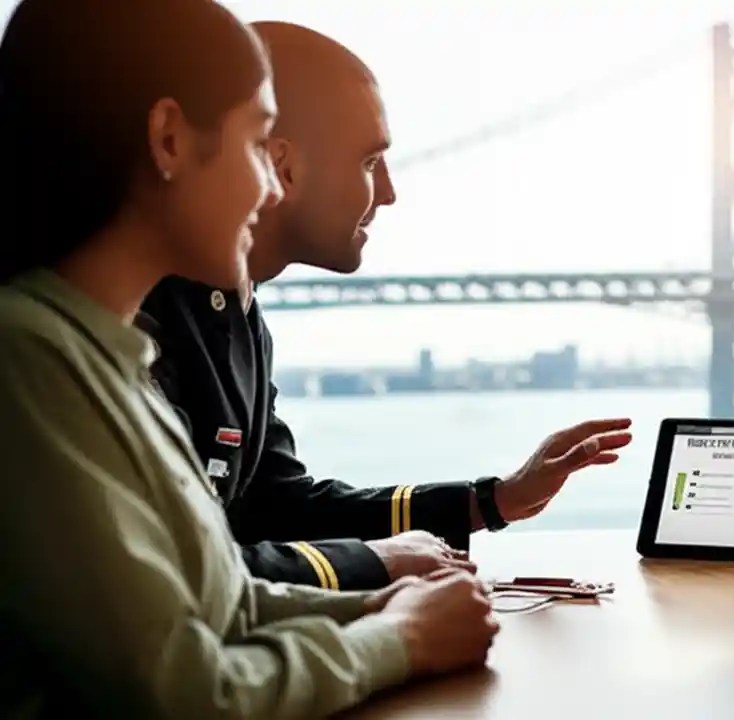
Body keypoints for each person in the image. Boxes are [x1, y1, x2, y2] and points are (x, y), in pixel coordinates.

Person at [0, 1, 498, 716]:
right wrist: (400, 639)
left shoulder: (107, 360)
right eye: (259, 142)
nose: (271, 187)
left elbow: (221, 604)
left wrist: (383, 609)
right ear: (170, 140)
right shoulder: (28, 364)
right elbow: (187, 693)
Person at [137, 21, 634, 591]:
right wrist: (379, 569)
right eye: (370, 162)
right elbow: (174, 578)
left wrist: (492, 501)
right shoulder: (138, 322)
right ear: (283, 166)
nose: (390, 193)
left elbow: (274, 506)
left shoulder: (234, 311)